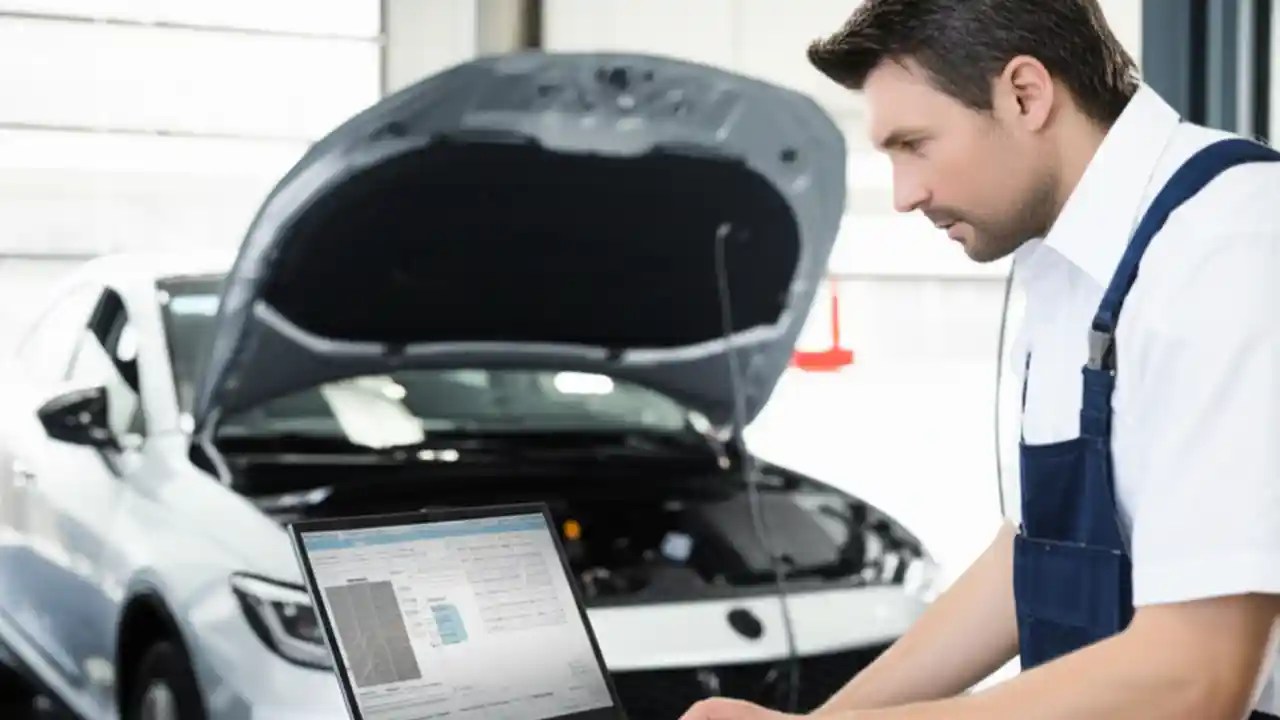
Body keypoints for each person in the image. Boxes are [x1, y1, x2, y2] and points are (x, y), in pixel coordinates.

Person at [679, 1, 1280, 718]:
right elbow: (1030, 557)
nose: (905, 195)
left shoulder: (1232, 247)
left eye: (915, 144)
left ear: (1025, 94)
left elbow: (1194, 676)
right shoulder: (1068, 266)